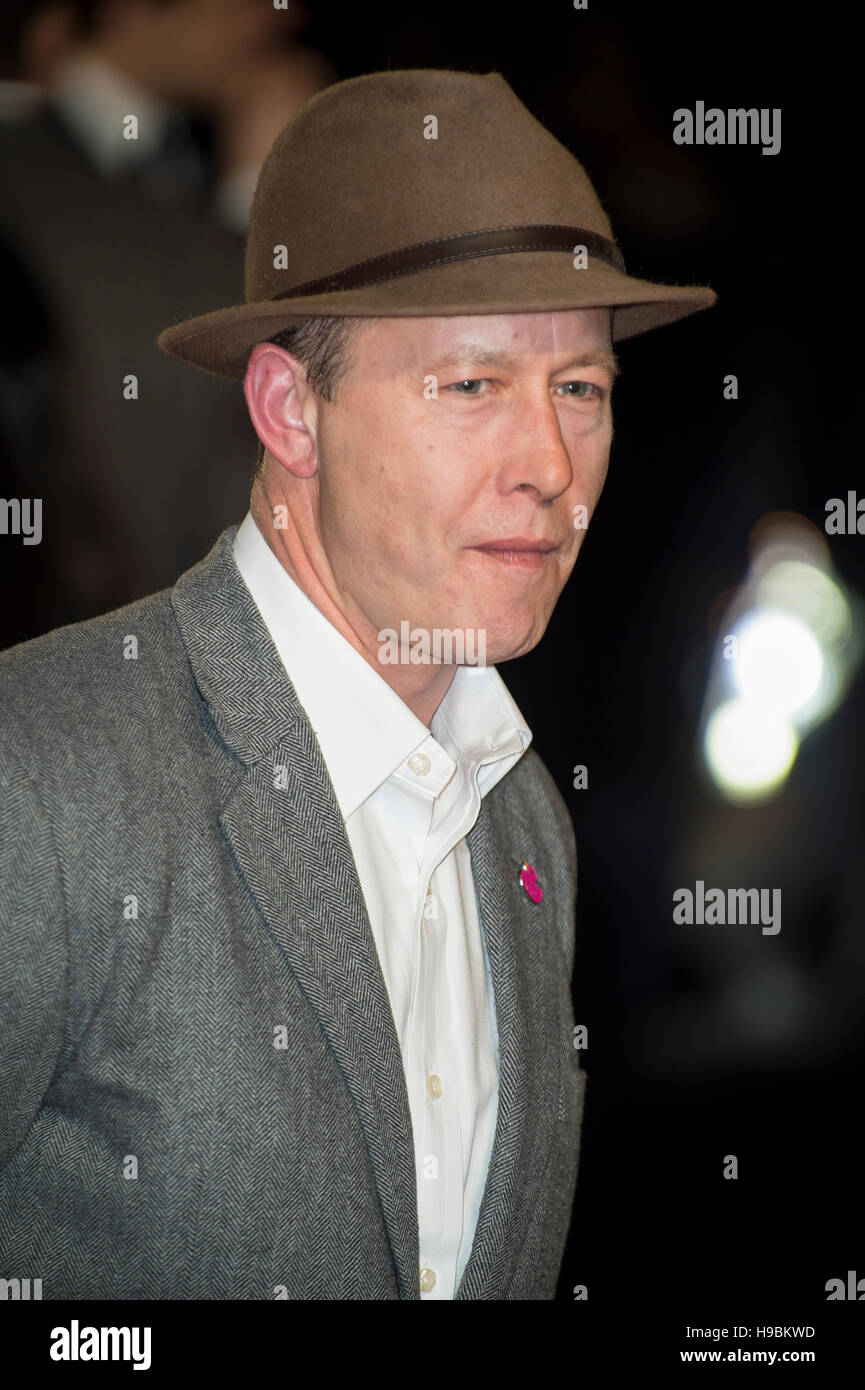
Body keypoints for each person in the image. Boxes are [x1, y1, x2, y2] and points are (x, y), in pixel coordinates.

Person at [0, 67, 716, 1300]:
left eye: (581, 389)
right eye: (472, 384)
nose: (550, 464)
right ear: (290, 410)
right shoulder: (45, 772)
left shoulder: (525, 813)